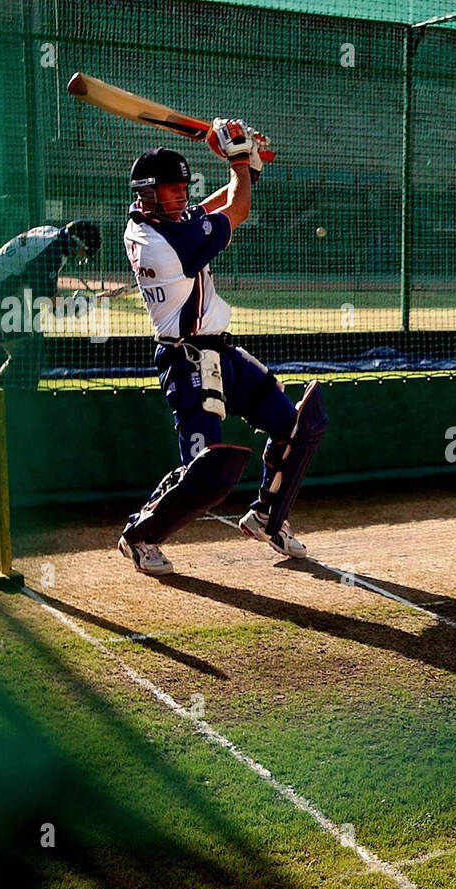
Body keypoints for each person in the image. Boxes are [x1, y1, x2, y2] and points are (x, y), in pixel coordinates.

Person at [115, 120, 326, 577]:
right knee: (208, 473)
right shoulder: (159, 240)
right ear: (147, 195)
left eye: (182, 188)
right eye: (171, 190)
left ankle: (269, 517)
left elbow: (213, 208)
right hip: (186, 360)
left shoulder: (161, 221)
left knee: (298, 426)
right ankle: (141, 535)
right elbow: (238, 208)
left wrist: (245, 163)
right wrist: (237, 161)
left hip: (221, 353)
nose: (182, 197)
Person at [0, 220, 101, 389]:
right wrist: (76, 306)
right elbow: (54, 306)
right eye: (83, 252)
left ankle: (5, 397)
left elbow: (40, 292)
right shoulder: (50, 253)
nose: (81, 257)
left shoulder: (50, 236)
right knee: (29, 355)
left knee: (32, 350)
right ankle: (15, 402)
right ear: (75, 241)